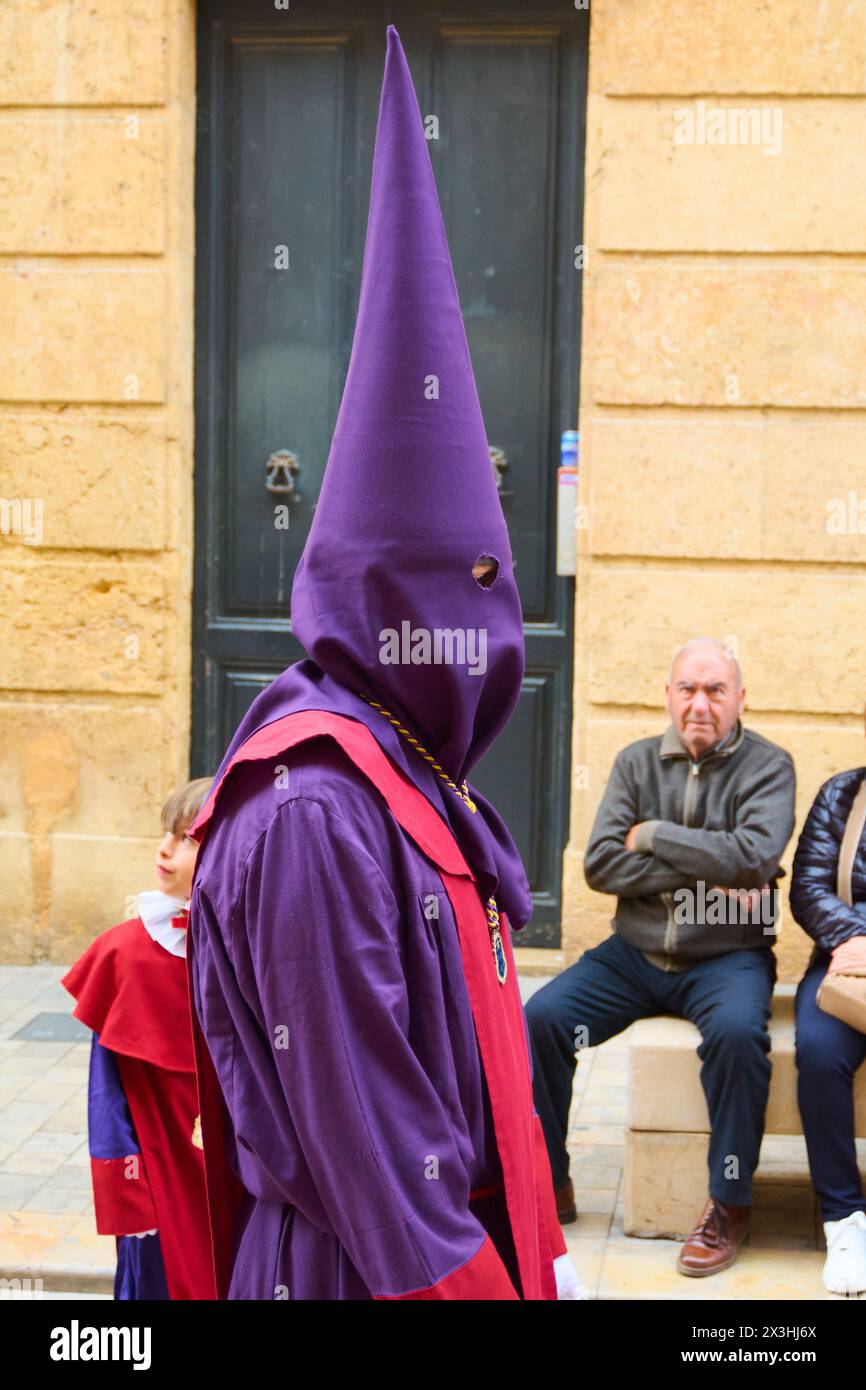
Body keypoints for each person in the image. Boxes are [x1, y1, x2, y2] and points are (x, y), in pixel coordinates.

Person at [186, 26, 576, 1301]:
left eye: (495, 579)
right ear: (379, 594)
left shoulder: (414, 771)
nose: (489, 624)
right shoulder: (314, 809)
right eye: (459, 585)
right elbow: (376, 1156)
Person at [527, 637, 796, 1276]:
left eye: (715, 690)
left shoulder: (768, 767)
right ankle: (550, 1185)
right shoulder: (634, 763)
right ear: (668, 695)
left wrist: (652, 837)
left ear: (739, 699)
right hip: (635, 953)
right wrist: (710, 866)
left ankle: (729, 1202)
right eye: (687, 689)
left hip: (727, 956)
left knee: (736, 1037)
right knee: (540, 1019)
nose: (699, 704)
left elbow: (756, 859)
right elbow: (600, 865)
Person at [62, 777, 215, 1300]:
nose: (165, 849)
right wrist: (129, 1201)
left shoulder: (254, 955)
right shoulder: (123, 955)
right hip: (160, 1177)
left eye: (188, 839)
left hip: (237, 1182)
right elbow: (106, 1099)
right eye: (166, 833)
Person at [790, 709, 866, 1296]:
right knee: (817, 1052)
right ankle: (844, 1219)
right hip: (846, 969)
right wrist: (854, 939)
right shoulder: (843, 794)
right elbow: (808, 887)